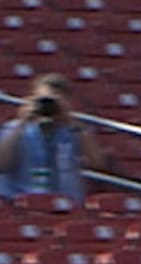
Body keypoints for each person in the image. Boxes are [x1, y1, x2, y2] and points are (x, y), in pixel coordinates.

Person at [0, 73, 105, 204]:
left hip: (65, 202)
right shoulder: (14, 128)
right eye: (44, 100)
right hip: (20, 200)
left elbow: (97, 163)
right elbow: (2, 165)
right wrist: (23, 121)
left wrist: (71, 121)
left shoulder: (76, 130)